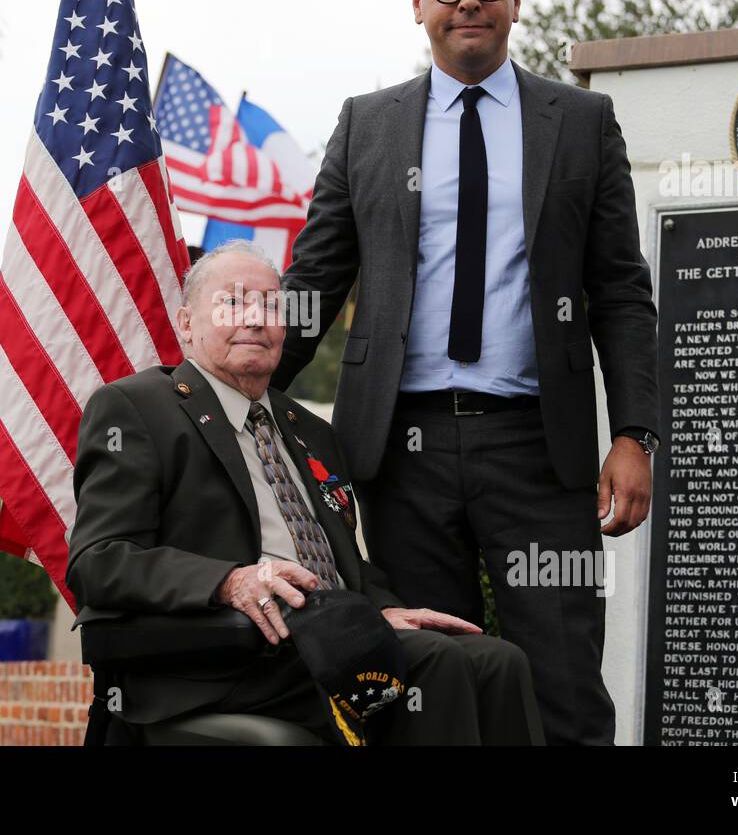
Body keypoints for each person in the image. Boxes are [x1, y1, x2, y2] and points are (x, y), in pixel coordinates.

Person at [270, 0, 661, 745]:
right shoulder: (366, 124)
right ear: (418, 4)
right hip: (398, 453)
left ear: (515, 0)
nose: (468, 1)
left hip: (538, 451)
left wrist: (634, 435)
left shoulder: (582, 121)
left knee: (563, 685)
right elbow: (316, 279)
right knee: (423, 683)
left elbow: (622, 291)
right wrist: (240, 389)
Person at [67, 241, 544, 745]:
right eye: (233, 302)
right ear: (186, 324)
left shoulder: (309, 429)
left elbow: (346, 567)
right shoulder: (138, 408)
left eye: (271, 305)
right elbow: (98, 559)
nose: (256, 318)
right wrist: (230, 581)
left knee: (498, 661)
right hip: (228, 654)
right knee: (436, 665)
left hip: (334, 636)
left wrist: (381, 609)